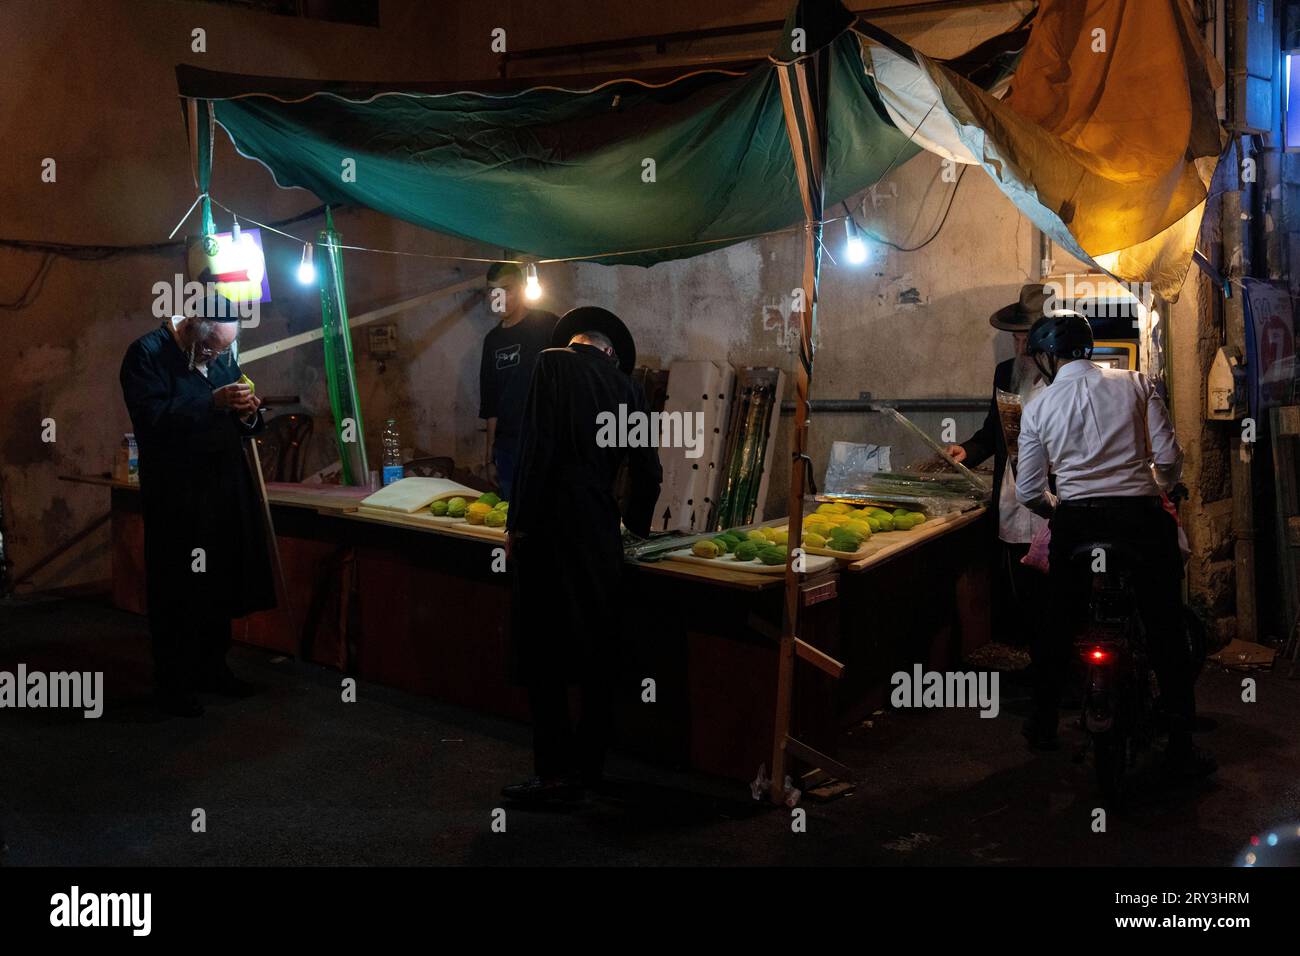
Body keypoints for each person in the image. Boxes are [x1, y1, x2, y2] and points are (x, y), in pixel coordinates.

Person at [1015, 311, 1214, 775]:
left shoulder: (1038, 407)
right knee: (1163, 623)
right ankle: (1181, 742)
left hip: (1077, 524)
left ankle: (1042, 722)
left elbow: (1028, 490)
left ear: (1047, 357)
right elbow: (1167, 459)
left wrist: (1060, 509)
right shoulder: (1138, 383)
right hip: (1140, 521)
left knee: (1058, 623)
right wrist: (1158, 486)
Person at [502, 307, 662, 803]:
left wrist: (518, 523)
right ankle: (589, 768)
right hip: (598, 528)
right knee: (597, 651)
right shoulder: (628, 390)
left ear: (577, 340)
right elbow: (649, 473)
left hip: (550, 526)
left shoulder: (551, 363)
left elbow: (536, 450)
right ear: (610, 350)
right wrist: (633, 528)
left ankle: (552, 773)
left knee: (544, 650)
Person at [119, 296, 275, 717]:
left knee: (219, 579)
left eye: (222, 351)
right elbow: (150, 419)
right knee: (178, 585)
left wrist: (247, 412)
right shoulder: (147, 354)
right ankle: (172, 684)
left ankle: (213, 669)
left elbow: (242, 417)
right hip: (178, 492)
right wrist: (212, 402)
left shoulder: (220, 353)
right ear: (190, 326)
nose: (216, 357)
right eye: (210, 350)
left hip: (222, 485)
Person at [946, 285, 1051, 651]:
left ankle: (1055, 674)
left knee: (1052, 597)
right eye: (1016, 340)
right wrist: (968, 450)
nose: (1020, 349)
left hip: (1050, 507)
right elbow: (993, 431)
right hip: (1011, 504)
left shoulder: (1064, 380)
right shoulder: (1005, 373)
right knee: (1017, 591)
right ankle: (1027, 666)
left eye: (1027, 341)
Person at [478, 262, 559, 501]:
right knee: (511, 520)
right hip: (508, 448)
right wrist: (489, 457)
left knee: (549, 516)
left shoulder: (549, 326)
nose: (500, 298)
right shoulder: (492, 341)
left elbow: (572, 379)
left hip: (548, 443)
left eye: (507, 289)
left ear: (523, 288)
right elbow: (490, 401)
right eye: (494, 291)